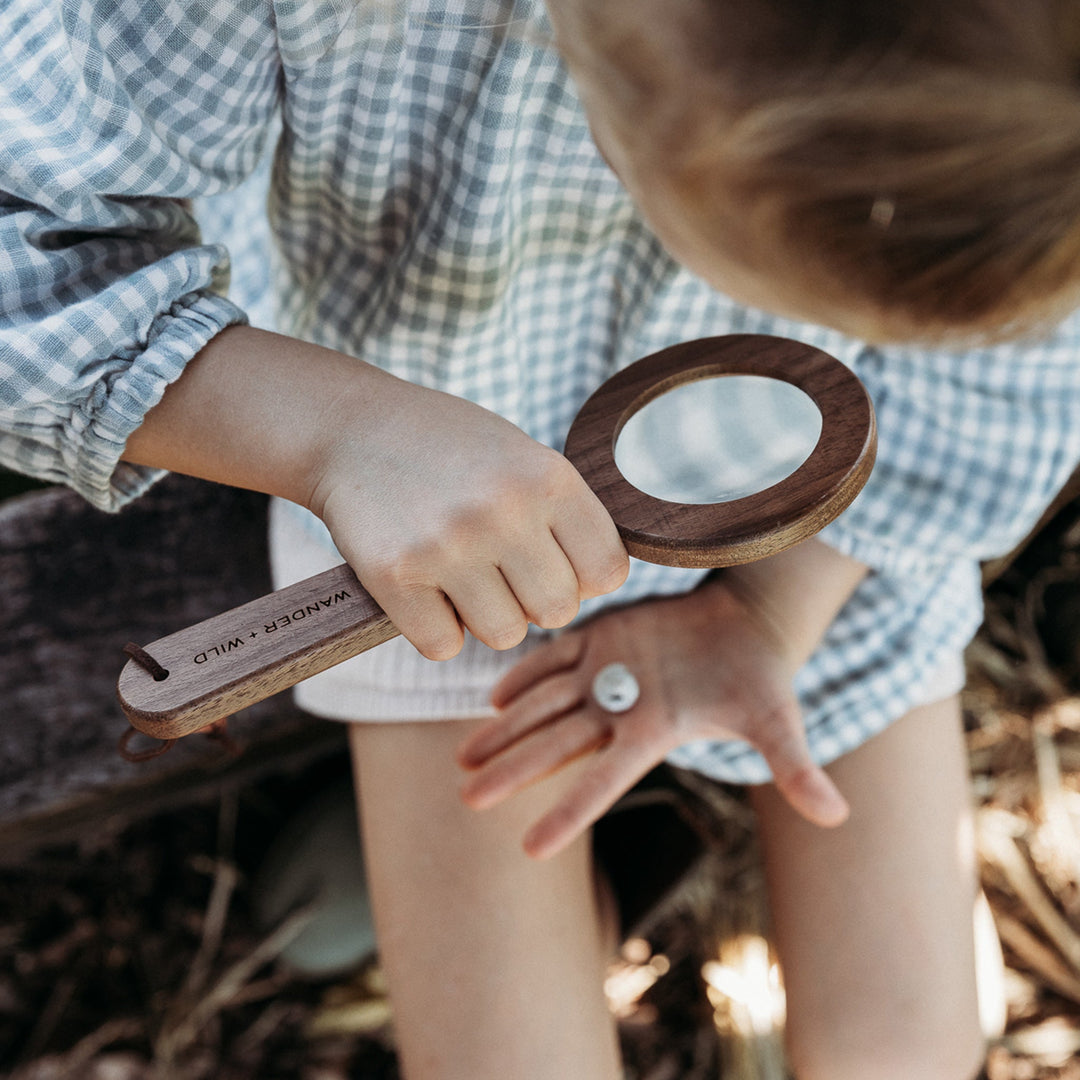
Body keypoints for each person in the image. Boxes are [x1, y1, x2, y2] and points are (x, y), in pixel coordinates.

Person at [4, 1, 1080, 1076]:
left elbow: (1003, 366)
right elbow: (25, 240)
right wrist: (339, 435)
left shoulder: (1022, 82)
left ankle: (603, 850)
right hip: (434, 532)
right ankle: (578, 863)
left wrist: (765, 614)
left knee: (907, 1052)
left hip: (827, 528)